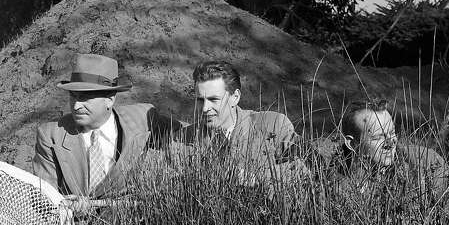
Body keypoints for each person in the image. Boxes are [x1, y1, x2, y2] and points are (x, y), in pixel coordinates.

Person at [32, 53, 182, 215]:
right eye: (73, 97)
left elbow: (185, 133)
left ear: (110, 99)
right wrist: (67, 207)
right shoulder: (51, 136)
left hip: (128, 224)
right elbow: (44, 201)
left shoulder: (143, 118)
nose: (76, 106)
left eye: (85, 98)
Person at [323, 100, 449, 225]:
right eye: (378, 137)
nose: (390, 142)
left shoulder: (424, 160)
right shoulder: (332, 186)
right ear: (352, 144)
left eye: (392, 133)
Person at [164, 60, 305, 189]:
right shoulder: (180, 142)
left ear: (235, 97)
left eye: (214, 99)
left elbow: (303, 171)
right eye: (200, 100)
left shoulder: (273, 125)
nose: (205, 108)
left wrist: (257, 178)